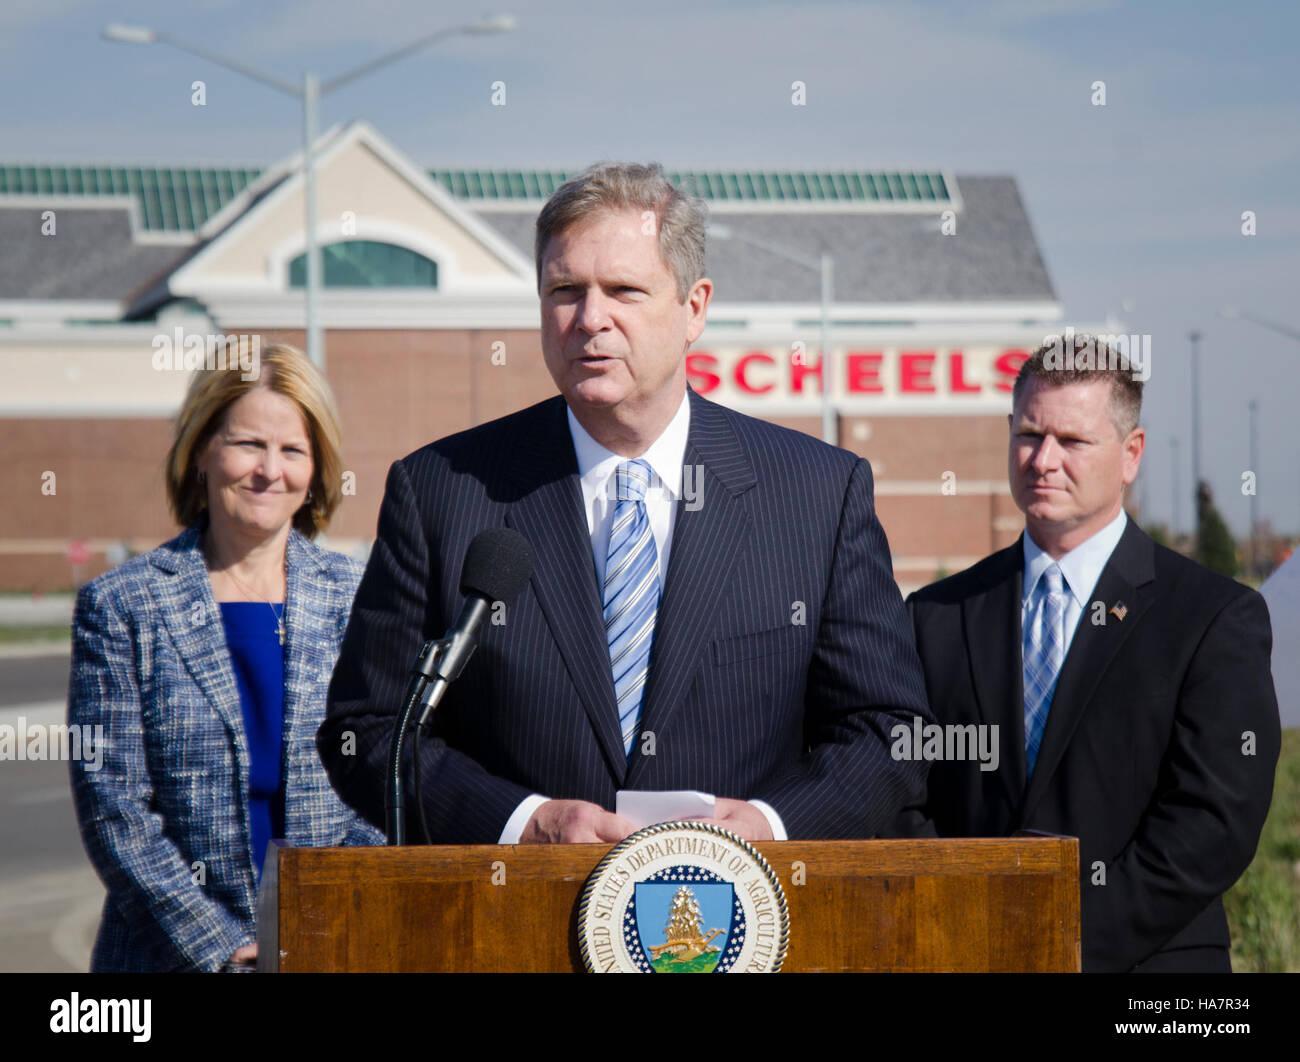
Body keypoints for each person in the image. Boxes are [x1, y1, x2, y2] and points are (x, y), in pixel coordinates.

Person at [318, 162, 932, 845]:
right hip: (516, 928)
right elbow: (368, 731)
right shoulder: (441, 490)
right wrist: (524, 824)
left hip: (747, 925)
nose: (589, 320)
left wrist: (771, 826)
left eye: (624, 291)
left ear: (694, 308)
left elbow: (890, 734)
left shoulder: (818, 494)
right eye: (564, 290)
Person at [904, 335, 1280, 972]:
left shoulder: (1212, 618)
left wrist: (1062, 941)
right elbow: (902, 791)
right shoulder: (934, 616)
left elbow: (1213, 821)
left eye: (1073, 441)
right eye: (1028, 434)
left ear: (1130, 455)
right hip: (969, 954)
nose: (1043, 459)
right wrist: (964, 922)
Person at [68, 342, 382, 973]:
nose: (270, 470)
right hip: (165, 960)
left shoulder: (360, 598)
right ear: (202, 451)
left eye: (293, 450)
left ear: (317, 470)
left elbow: (384, 786)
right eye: (247, 445)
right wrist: (221, 947)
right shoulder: (122, 606)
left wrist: (333, 922)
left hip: (329, 950)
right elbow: (115, 809)